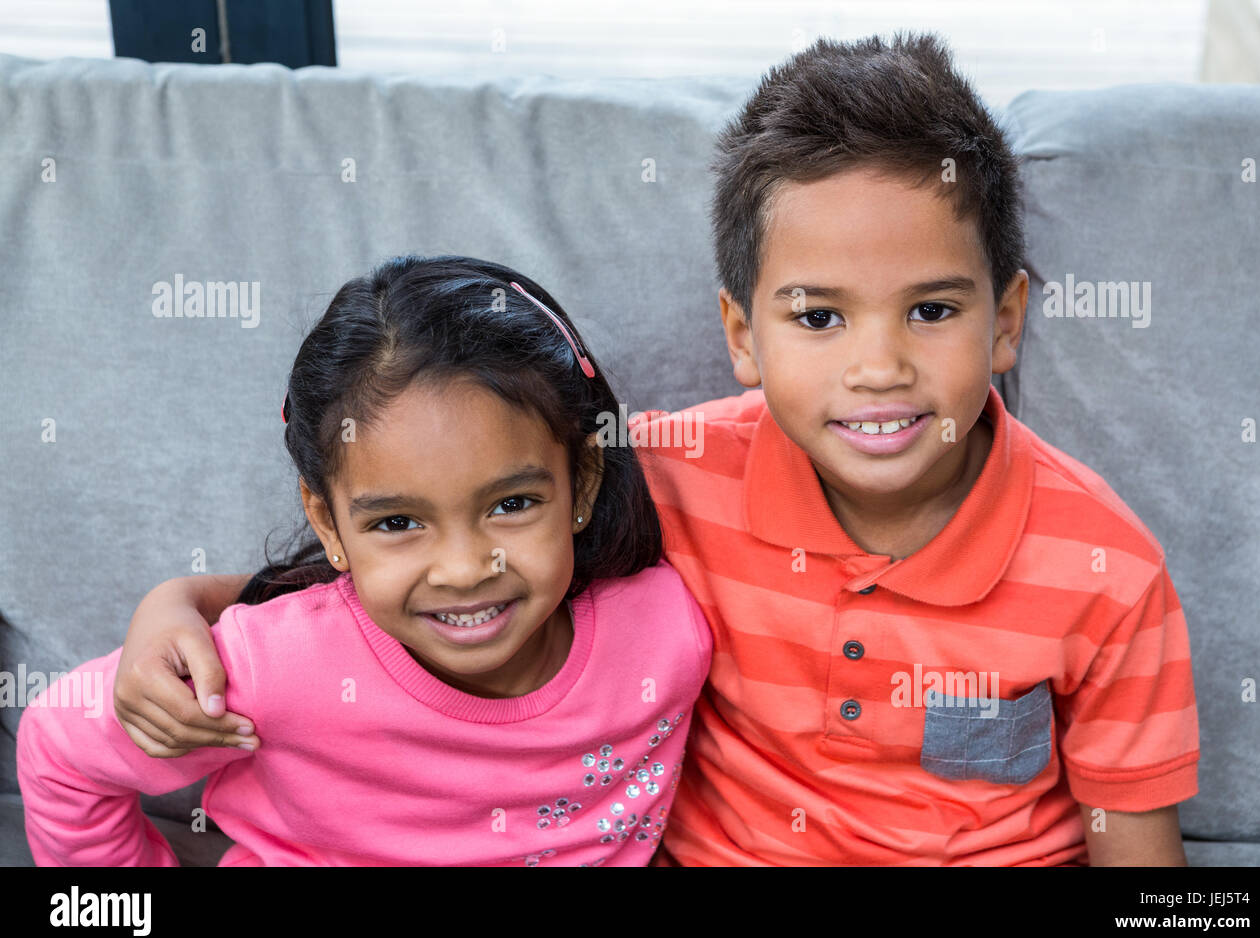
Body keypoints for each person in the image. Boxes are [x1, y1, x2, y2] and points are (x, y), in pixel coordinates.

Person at [112, 32, 1199, 866]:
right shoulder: (660, 472)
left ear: (1006, 321)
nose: (878, 367)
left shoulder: (1104, 565)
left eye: (930, 309)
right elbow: (433, 544)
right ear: (741, 334)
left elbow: (1141, 857)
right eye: (818, 317)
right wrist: (179, 604)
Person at [18, 255, 712, 866]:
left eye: (512, 505)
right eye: (399, 522)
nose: (464, 568)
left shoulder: (667, 630)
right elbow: (57, 747)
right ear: (328, 521)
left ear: (582, 483)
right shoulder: (275, 668)